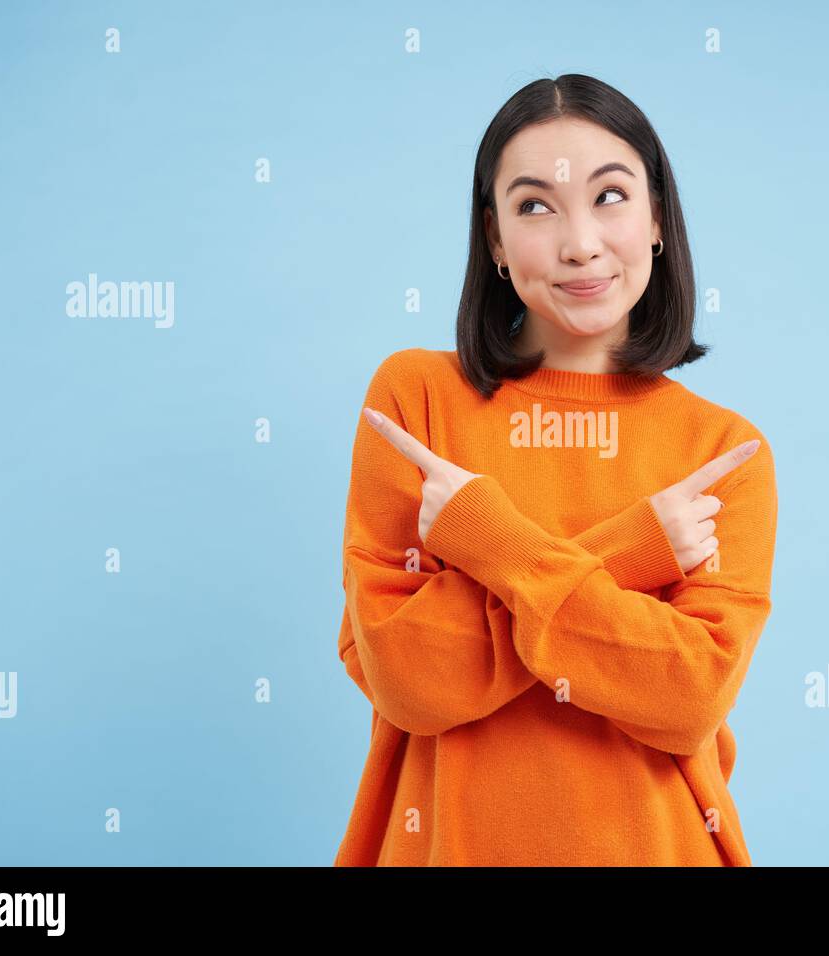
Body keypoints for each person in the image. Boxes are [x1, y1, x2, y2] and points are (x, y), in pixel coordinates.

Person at [332, 73, 777, 866]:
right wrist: (633, 551)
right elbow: (413, 682)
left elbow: (687, 697)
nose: (580, 242)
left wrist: (488, 545)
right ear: (495, 240)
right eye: (536, 206)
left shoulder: (722, 452)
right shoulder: (413, 401)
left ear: (658, 222)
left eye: (611, 196)